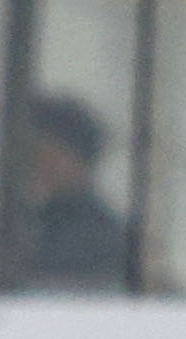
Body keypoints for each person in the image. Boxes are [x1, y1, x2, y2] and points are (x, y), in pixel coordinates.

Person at [11, 93, 138, 293]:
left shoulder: (98, 236)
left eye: (47, 154)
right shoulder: (22, 216)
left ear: (78, 160)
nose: (36, 164)